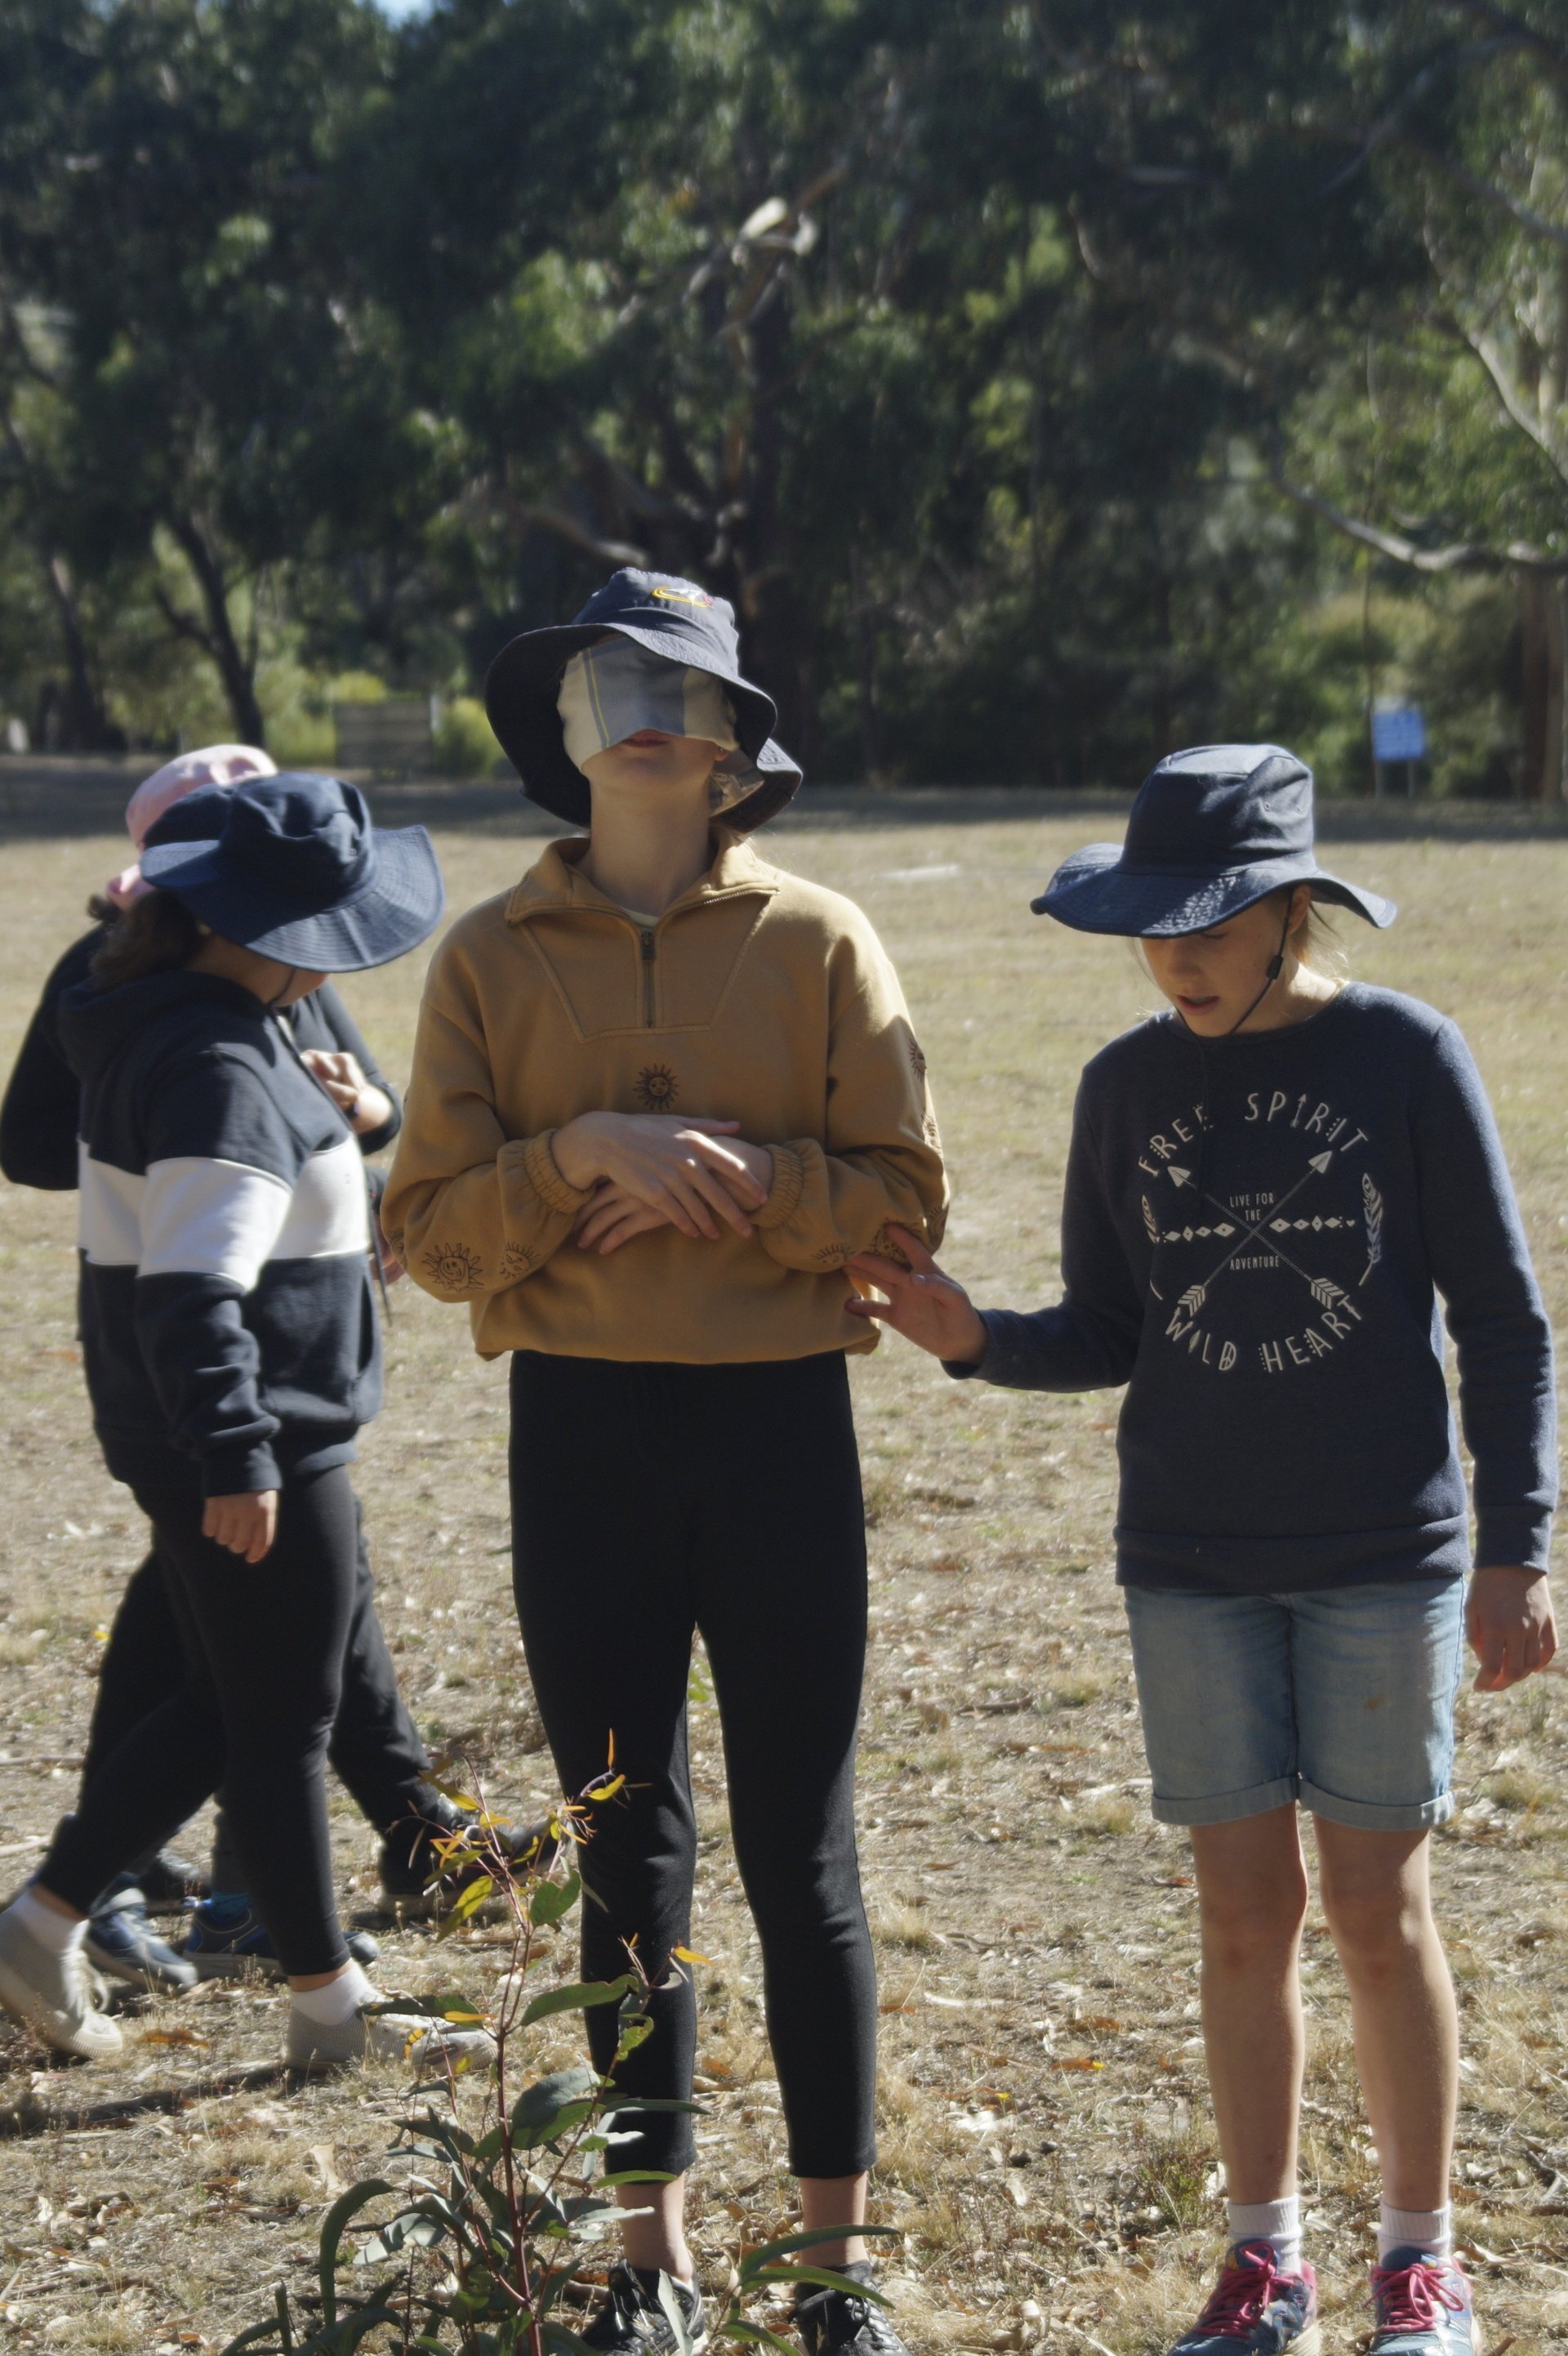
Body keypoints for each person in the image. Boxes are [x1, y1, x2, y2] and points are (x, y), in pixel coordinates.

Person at [845, 745, 1557, 2356]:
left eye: (1212, 922)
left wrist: (1519, 1547)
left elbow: (1507, 1324)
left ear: (1294, 910)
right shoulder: (1126, 1085)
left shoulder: (1405, 1057)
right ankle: (1263, 2258)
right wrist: (974, 1339)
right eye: (1153, 926)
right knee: (1242, 1913)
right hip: (1190, 1558)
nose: (1176, 953)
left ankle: (1421, 2261)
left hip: (1387, 1548)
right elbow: (1111, 1323)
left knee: (1379, 1911)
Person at [384, 569, 948, 2356]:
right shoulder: (485, 957)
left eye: (680, 683)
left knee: (804, 1849)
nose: (642, 703)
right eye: (606, 676)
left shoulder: (823, 940)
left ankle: (832, 2264)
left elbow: (909, 1210)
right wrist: (582, 1152)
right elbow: (433, 1234)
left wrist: (754, 1182)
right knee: (626, 1848)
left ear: (731, 745)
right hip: (584, 1436)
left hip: (782, 1423)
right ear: (562, 729)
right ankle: (655, 2257)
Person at [0, 773, 488, 2071]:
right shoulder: (217, 1063)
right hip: (258, 1438)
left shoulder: (174, 1016)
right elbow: (192, 1291)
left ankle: (44, 1920)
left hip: (220, 1435)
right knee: (284, 1716)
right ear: (259, 933)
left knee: (235, 1703)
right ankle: (330, 2009)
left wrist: (342, 1133)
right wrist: (238, 1454)